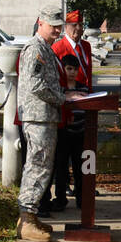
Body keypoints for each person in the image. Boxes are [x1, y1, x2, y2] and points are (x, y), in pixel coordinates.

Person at [17, 6, 80, 241]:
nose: (57, 29)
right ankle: (26, 218)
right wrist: (63, 97)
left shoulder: (46, 49)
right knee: (38, 165)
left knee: (41, 165)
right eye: (52, 25)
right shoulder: (35, 49)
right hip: (38, 116)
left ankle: (29, 216)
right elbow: (35, 85)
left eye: (58, 25)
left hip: (44, 115)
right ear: (39, 23)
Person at [53, 11, 93, 206]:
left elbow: (89, 75)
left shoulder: (86, 46)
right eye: (74, 25)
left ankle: (82, 191)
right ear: (66, 26)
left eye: (80, 25)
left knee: (83, 156)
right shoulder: (58, 47)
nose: (78, 29)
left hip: (84, 106)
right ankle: (61, 193)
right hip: (66, 103)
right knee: (62, 158)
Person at [51, 54, 86, 209]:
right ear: (63, 70)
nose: (72, 72)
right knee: (61, 166)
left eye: (75, 69)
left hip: (80, 132)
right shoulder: (60, 89)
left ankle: (81, 197)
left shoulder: (82, 87)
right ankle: (60, 198)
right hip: (63, 133)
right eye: (69, 69)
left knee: (80, 167)